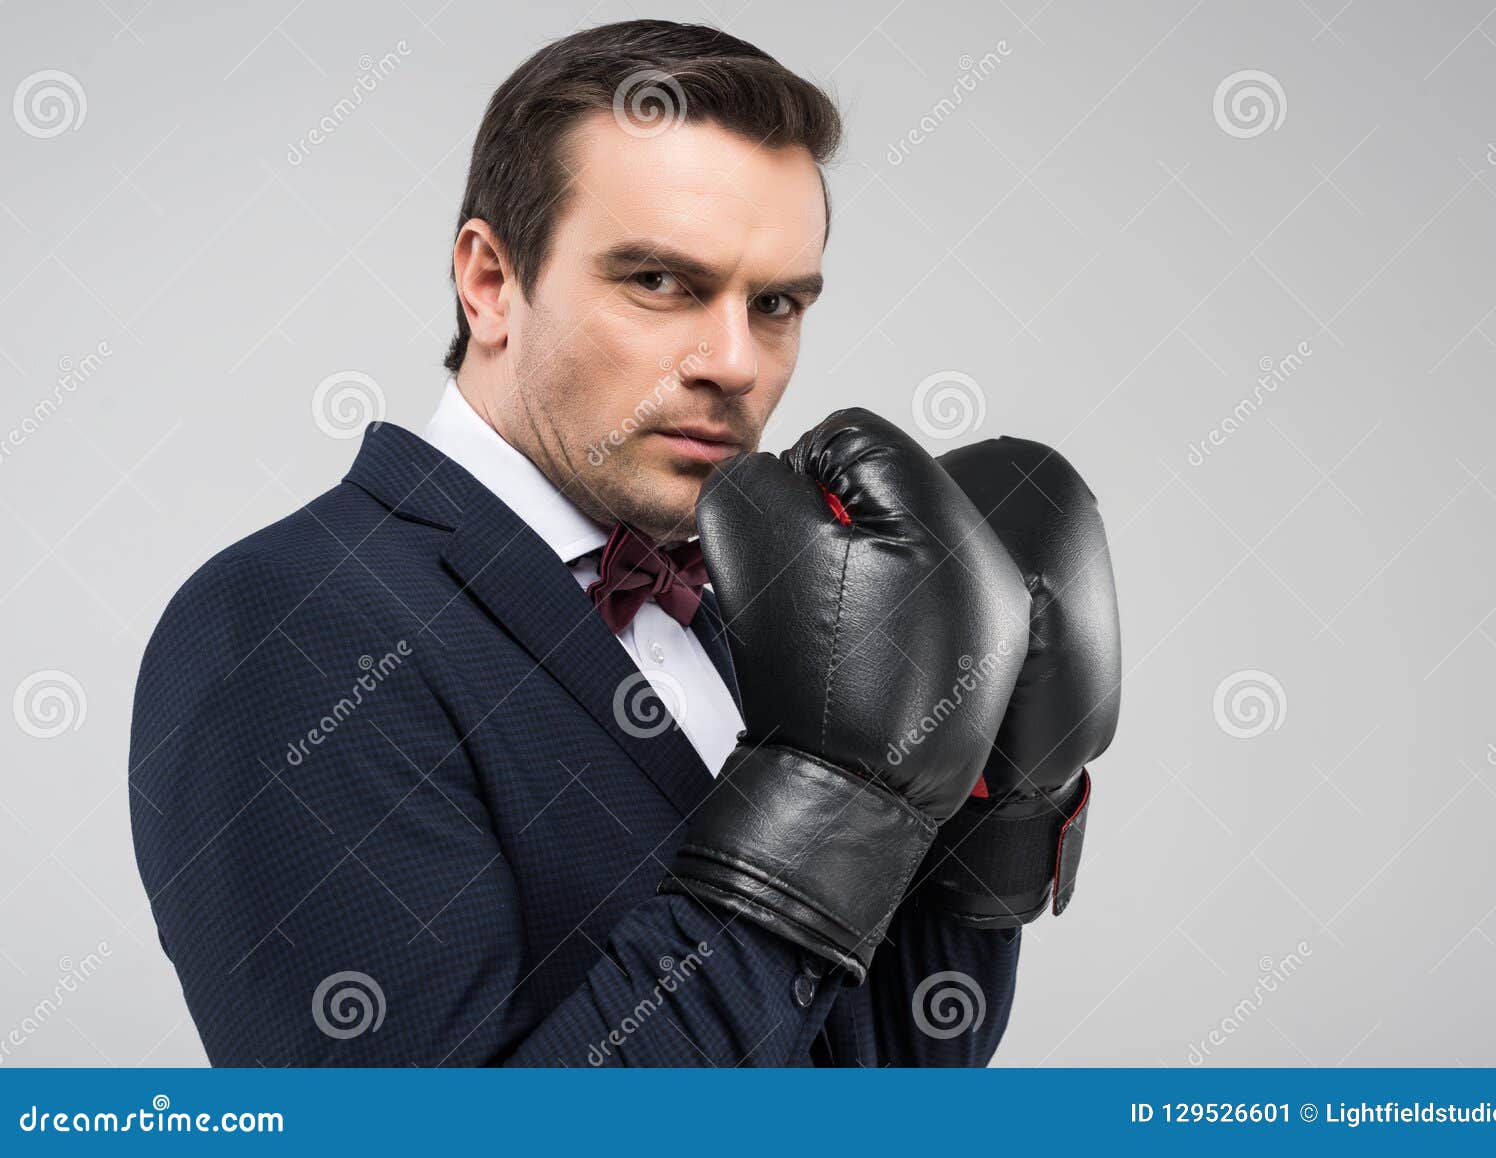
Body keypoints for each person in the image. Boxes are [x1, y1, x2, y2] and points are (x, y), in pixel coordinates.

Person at [129, 19, 1119, 1067]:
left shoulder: (766, 607)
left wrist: (998, 802)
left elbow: (877, 1086)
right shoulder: (289, 628)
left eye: (775, 303)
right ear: (490, 283)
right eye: (661, 283)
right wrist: (824, 796)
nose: (734, 364)